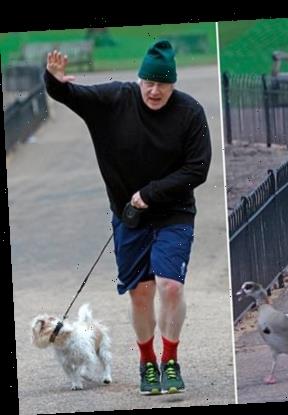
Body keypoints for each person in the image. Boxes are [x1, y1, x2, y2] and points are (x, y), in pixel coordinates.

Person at [44, 40, 212, 393]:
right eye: (148, 83)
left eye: (162, 85)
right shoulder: (115, 100)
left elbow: (198, 169)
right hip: (129, 216)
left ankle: (170, 360)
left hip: (174, 212)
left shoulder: (189, 113)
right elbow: (71, 96)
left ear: (173, 84)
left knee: (170, 286)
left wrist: (150, 193)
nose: (154, 91)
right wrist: (54, 80)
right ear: (139, 80)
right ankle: (147, 362)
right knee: (140, 292)